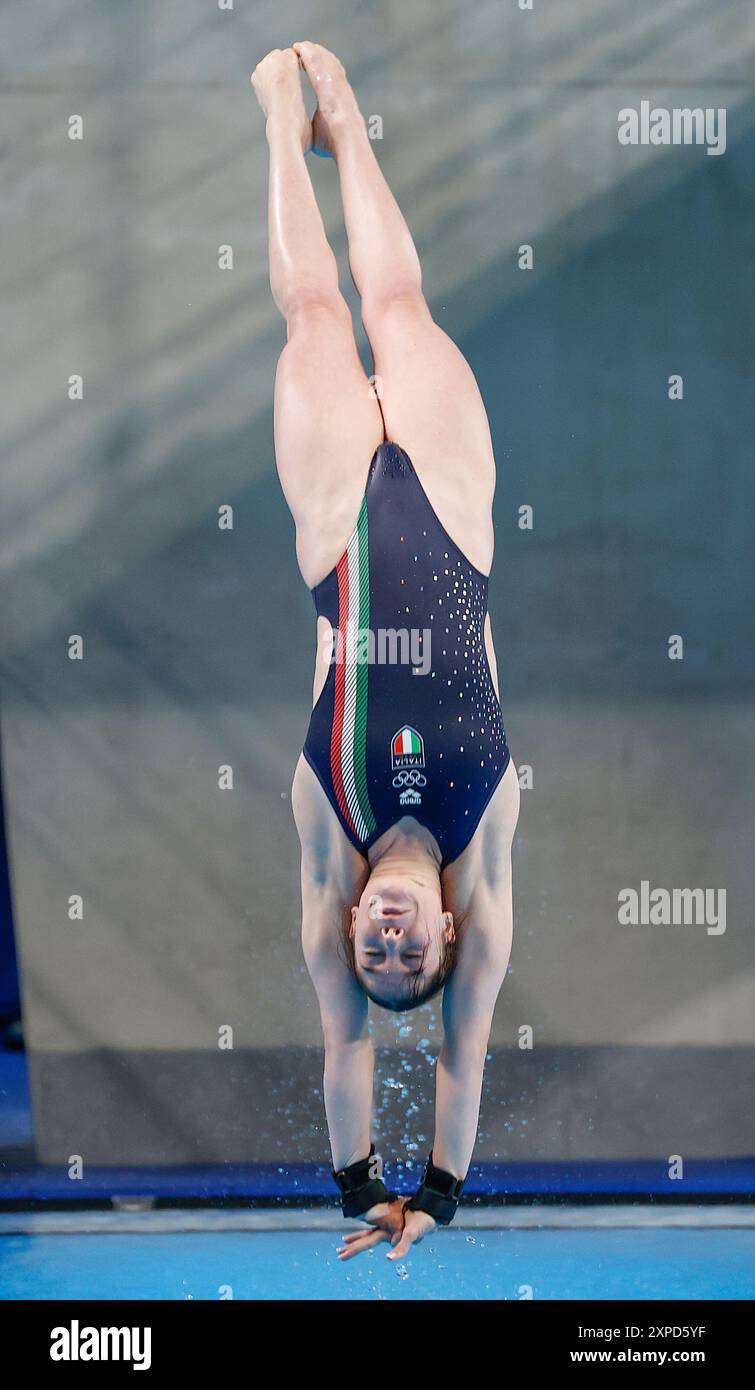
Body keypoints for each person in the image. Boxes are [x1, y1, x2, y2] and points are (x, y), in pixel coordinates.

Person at [251, 42, 520, 1260]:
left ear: (355, 918)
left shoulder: (328, 827)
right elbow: (454, 1059)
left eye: (375, 948)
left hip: (332, 528)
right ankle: (348, 122)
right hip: (455, 515)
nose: (388, 941)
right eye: (412, 953)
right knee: (400, 308)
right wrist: (433, 1193)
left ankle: (273, 121)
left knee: (314, 310)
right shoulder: (483, 846)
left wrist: (359, 1186)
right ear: (447, 939)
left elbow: (346, 1040)